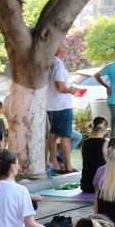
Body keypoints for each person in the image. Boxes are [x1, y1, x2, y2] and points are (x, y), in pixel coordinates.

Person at [45, 43, 77, 174]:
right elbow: (60, 86)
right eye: (64, 46)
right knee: (65, 136)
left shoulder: (47, 62)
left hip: (51, 104)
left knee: (53, 135)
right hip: (62, 105)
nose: (67, 48)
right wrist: (71, 90)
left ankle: (55, 163)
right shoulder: (58, 63)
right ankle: (68, 166)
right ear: (59, 49)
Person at [78, 116, 110, 192]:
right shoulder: (106, 143)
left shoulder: (85, 143)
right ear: (105, 128)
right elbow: (110, 164)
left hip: (85, 184)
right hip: (100, 185)